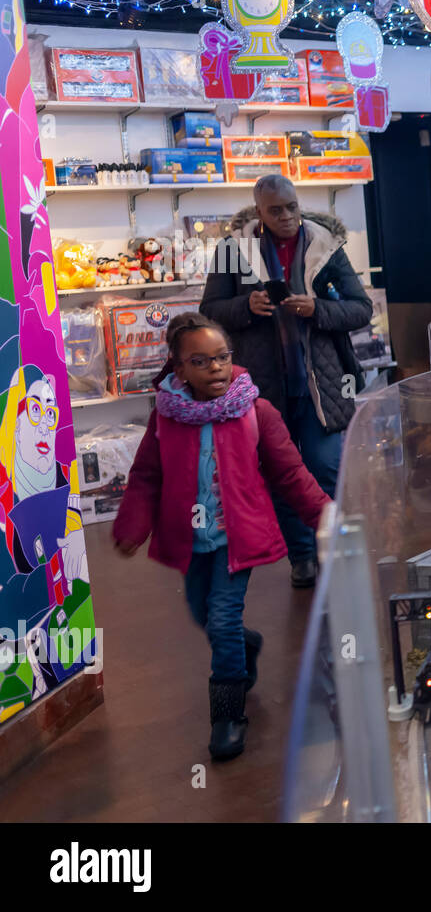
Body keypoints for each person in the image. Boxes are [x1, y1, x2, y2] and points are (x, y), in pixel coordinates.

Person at [112, 313, 330, 761]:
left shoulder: (256, 411)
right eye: (201, 361)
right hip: (190, 540)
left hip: (236, 539)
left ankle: (228, 716)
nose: (215, 368)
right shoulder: (165, 418)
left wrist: (323, 514)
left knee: (223, 620)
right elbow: (147, 476)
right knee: (201, 613)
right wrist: (132, 526)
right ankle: (246, 646)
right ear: (179, 368)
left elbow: (289, 472)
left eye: (222, 358)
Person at [200, 174, 372, 589]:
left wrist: (317, 310)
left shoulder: (326, 247)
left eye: (292, 207)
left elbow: (361, 309)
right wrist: (247, 305)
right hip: (264, 385)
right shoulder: (231, 251)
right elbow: (210, 310)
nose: (287, 216)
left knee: (324, 465)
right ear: (259, 211)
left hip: (321, 384)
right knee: (279, 472)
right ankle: (303, 558)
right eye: (276, 210)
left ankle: (333, 547)